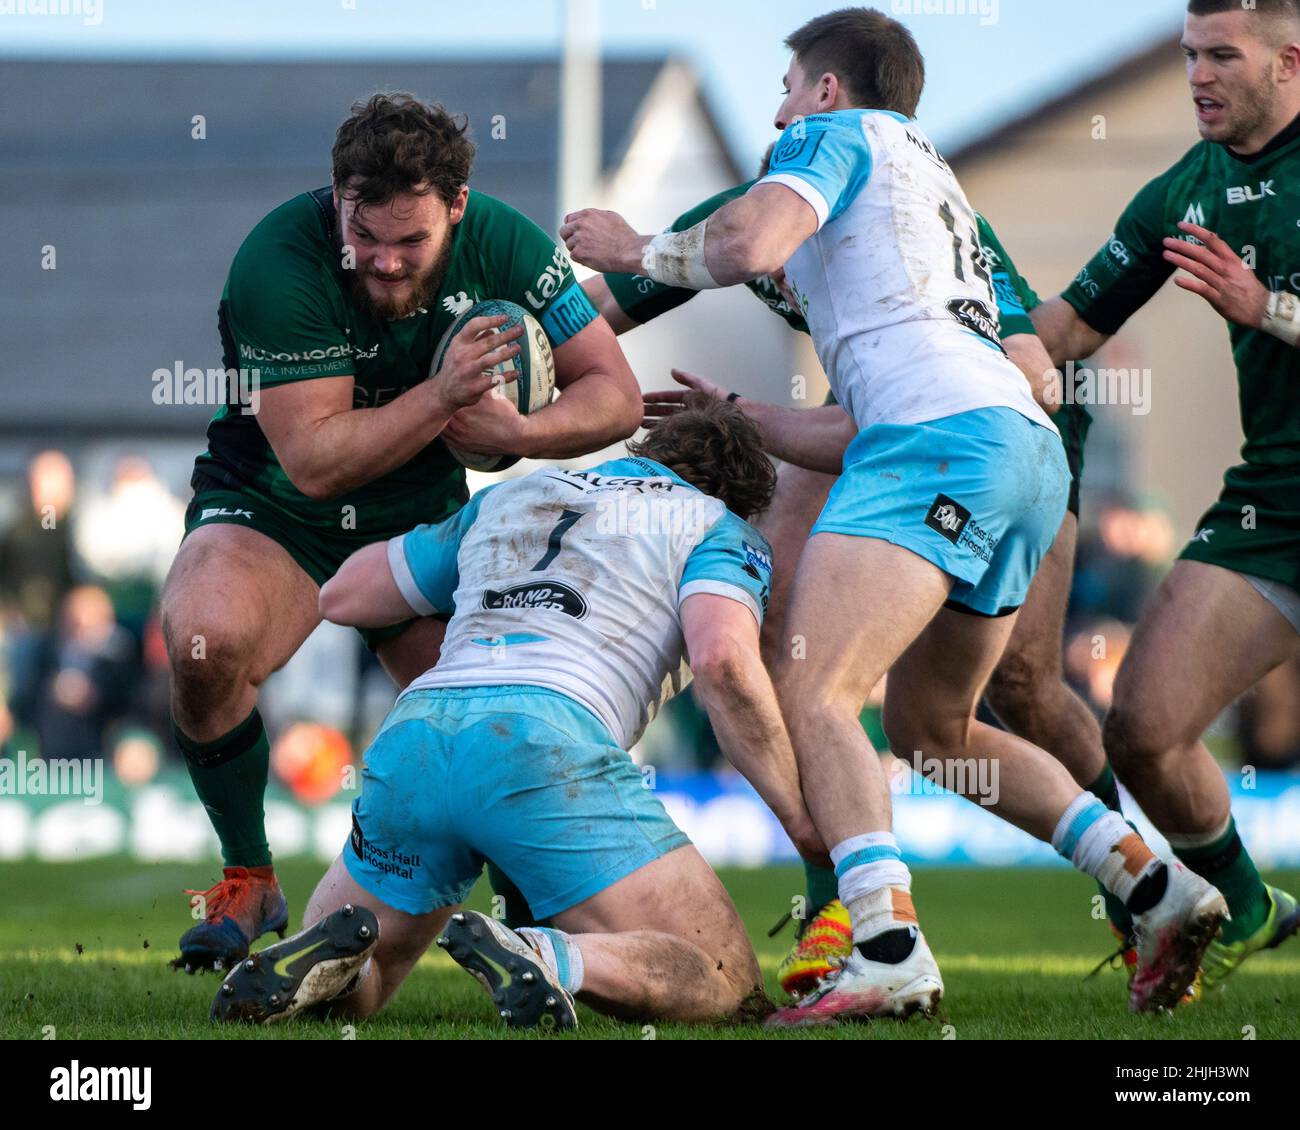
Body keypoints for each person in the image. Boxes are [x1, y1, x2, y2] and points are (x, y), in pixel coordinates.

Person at [562, 6, 1226, 1021]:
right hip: (1012, 451)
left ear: (827, 89)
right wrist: (733, 412)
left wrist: (634, 241)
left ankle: (881, 937)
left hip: (946, 446)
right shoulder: (924, 181)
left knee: (813, 680)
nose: (775, 114)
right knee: (932, 724)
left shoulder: (831, 139)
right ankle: (1152, 880)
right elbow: (858, 423)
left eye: (787, 89)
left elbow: (741, 242)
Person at [585, 160, 1119, 997]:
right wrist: (500, 377)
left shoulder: (927, 217)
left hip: (994, 423)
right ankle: (841, 906)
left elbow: (1032, 371)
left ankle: (1139, 893)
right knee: (788, 638)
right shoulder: (743, 218)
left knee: (1021, 686)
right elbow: (596, 315)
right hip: (865, 415)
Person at [164, 92, 641, 972]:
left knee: (488, 729)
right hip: (275, 507)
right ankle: (248, 876)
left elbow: (617, 395)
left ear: (457, 207)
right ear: (337, 195)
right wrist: (447, 396)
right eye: (365, 235)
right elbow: (314, 461)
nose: (382, 263)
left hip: (423, 520)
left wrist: (523, 436)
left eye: (409, 243)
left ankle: (529, 908)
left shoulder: (508, 243)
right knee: (203, 644)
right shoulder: (277, 258)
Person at [211, 397, 825, 1029]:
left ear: (652, 452)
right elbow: (723, 662)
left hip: (418, 730)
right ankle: (544, 952)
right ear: (746, 496)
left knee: (361, 986)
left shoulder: (513, 496)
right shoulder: (720, 527)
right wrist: (798, 817)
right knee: (725, 980)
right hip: (548, 740)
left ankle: (328, 966)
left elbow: (342, 596)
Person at [1030, 0, 1300, 992]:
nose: (1197, 74)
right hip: (1274, 495)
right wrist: (960, 336)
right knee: (1140, 724)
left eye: (1221, 54)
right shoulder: (1186, 188)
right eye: (1189, 54)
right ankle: (1253, 904)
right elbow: (1064, 327)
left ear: (1287, 61)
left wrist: (1261, 307)